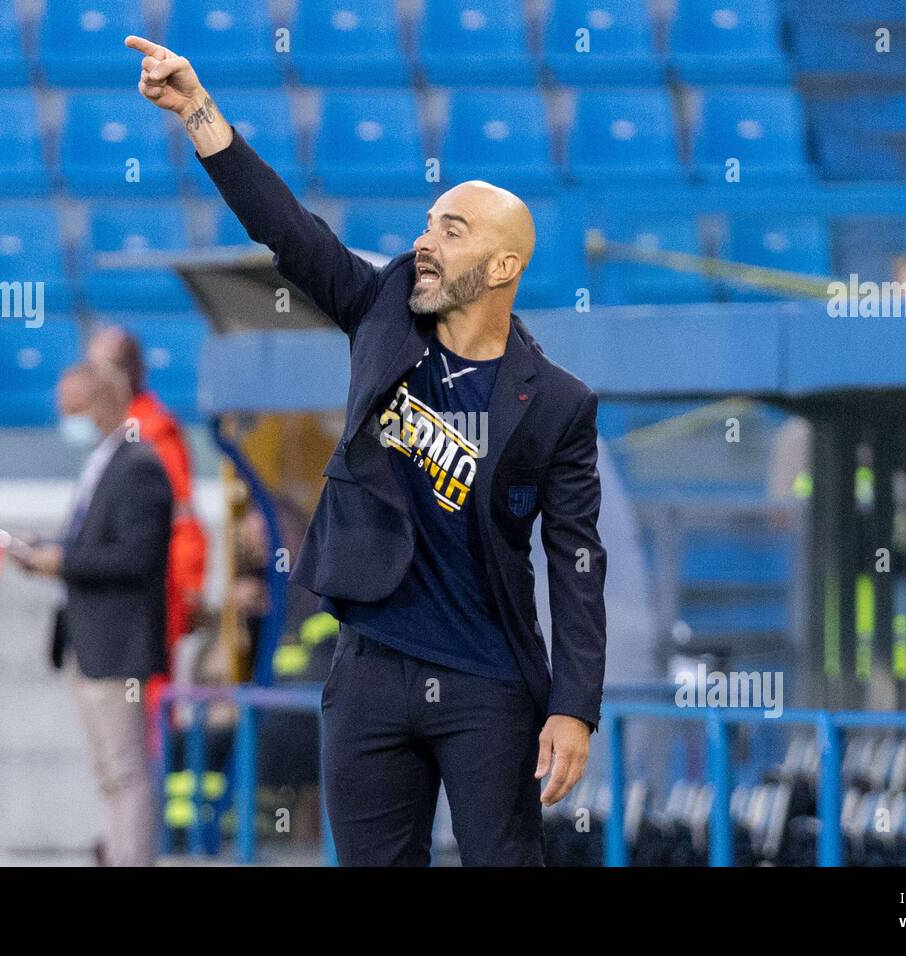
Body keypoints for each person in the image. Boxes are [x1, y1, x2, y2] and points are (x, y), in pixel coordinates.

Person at [128, 36, 607, 866]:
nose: (425, 242)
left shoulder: (558, 403)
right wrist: (200, 113)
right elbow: (290, 232)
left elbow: (574, 561)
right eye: (427, 225)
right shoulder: (381, 309)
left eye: (449, 232)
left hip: (488, 682)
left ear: (501, 265)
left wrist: (575, 706)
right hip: (370, 673)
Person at [17, 364, 172, 867]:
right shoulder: (104, 463)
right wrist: (46, 552)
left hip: (117, 646)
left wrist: (62, 561)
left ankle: (132, 859)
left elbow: (136, 557)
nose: (65, 417)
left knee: (125, 771)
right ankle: (119, 854)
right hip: (87, 645)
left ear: (102, 404)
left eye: (72, 407)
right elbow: (97, 543)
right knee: (110, 772)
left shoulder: (139, 465)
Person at [86, 326, 207, 654]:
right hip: (125, 594)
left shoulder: (154, 433)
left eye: (99, 371)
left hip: (153, 592)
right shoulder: (119, 430)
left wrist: (188, 585)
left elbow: (180, 513)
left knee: (147, 695)